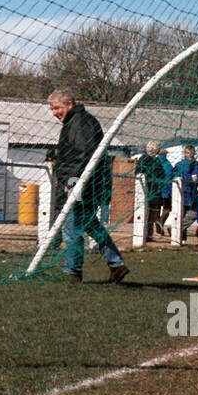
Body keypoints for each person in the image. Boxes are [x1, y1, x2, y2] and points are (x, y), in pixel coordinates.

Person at [47, 89, 129, 283]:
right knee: (89, 223)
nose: (54, 113)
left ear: (69, 104)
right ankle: (116, 264)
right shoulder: (76, 121)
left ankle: (73, 271)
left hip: (82, 183)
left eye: (57, 108)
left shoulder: (80, 123)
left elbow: (83, 155)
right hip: (86, 182)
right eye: (51, 109)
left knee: (72, 225)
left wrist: (72, 181)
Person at [170, 144, 198, 239]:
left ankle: (175, 229)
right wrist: (180, 180)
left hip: (192, 195)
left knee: (193, 214)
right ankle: (180, 238)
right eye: (188, 152)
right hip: (181, 194)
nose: (190, 155)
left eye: (191, 153)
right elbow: (172, 176)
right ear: (184, 153)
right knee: (181, 215)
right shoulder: (180, 165)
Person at [135, 140, 172, 238]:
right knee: (146, 213)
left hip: (155, 191)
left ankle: (149, 235)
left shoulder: (156, 161)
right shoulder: (145, 160)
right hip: (147, 191)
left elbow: (162, 175)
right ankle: (143, 234)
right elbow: (139, 173)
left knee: (153, 213)